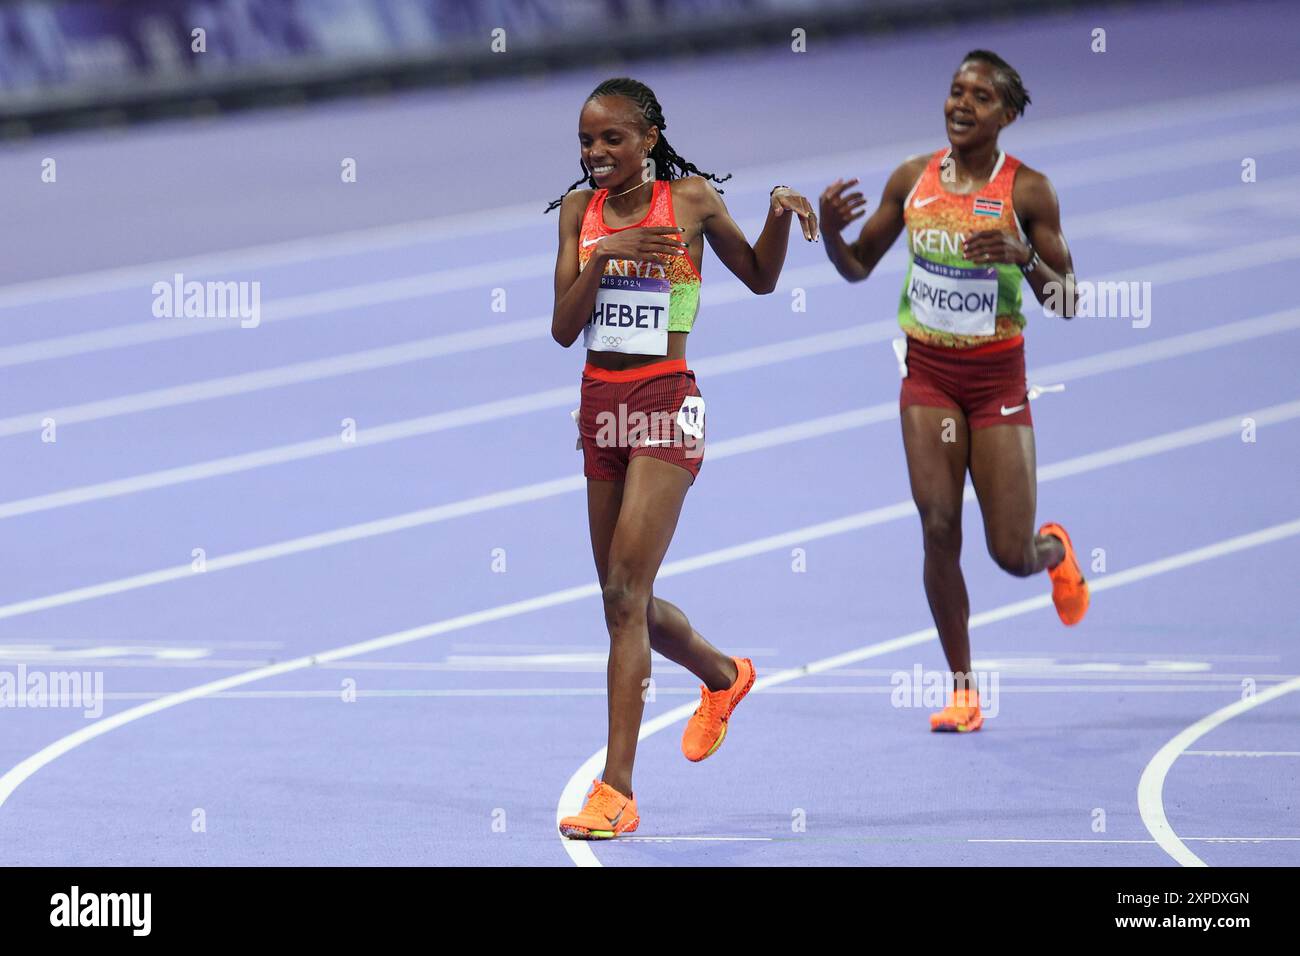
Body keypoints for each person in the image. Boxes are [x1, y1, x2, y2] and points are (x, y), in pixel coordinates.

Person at [549, 77, 818, 837]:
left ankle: (618, 791)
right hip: (600, 405)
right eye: (585, 140)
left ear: (649, 140)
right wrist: (607, 257)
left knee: (628, 592)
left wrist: (774, 216)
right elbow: (564, 329)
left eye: (612, 139)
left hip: (668, 403)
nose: (595, 153)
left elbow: (763, 280)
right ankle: (724, 677)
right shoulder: (579, 213)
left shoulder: (691, 200)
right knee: (618, 599)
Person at [819, 51, 1089, 733]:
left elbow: (1068, 302)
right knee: (938, 527)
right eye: (954, 92)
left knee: (1010, 553)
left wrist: (1025, 257)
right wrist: (829, 231)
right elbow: (856, 267)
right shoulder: (912, 179)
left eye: (979, 97)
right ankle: (964, 689)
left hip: (997, 382)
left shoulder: (1029, 191)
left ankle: (1053, 550)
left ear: (1006, 115)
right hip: (929, 376)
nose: (961, 105)